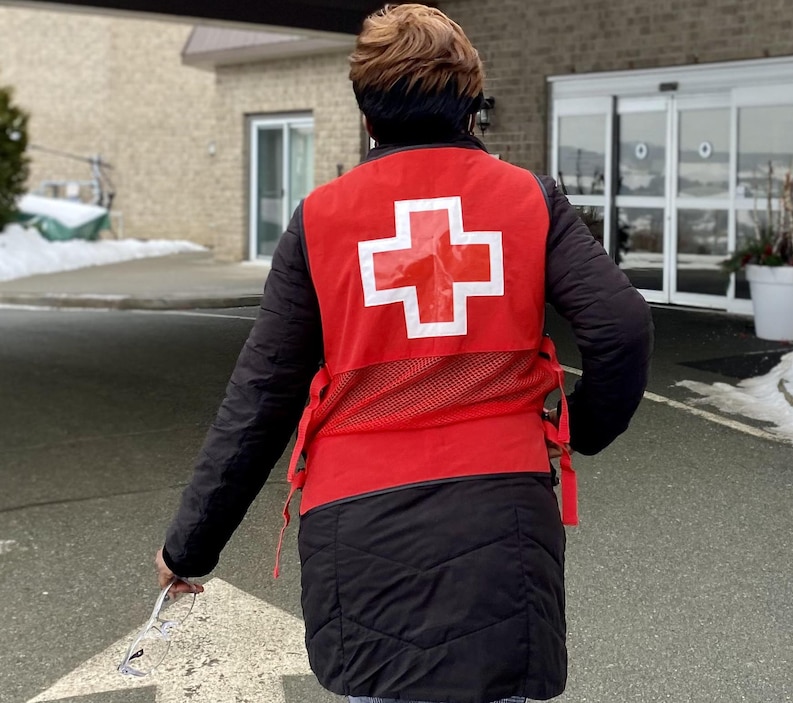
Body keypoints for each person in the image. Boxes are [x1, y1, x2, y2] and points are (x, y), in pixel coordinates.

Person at [153, 4, 653, 702]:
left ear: (367, 114)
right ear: (471, 104)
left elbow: (262, 395)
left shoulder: (320, 219)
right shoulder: (529, 199)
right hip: (503, 514)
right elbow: (621, 326)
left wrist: (190, 546)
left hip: (359, 525)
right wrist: (582, 428)